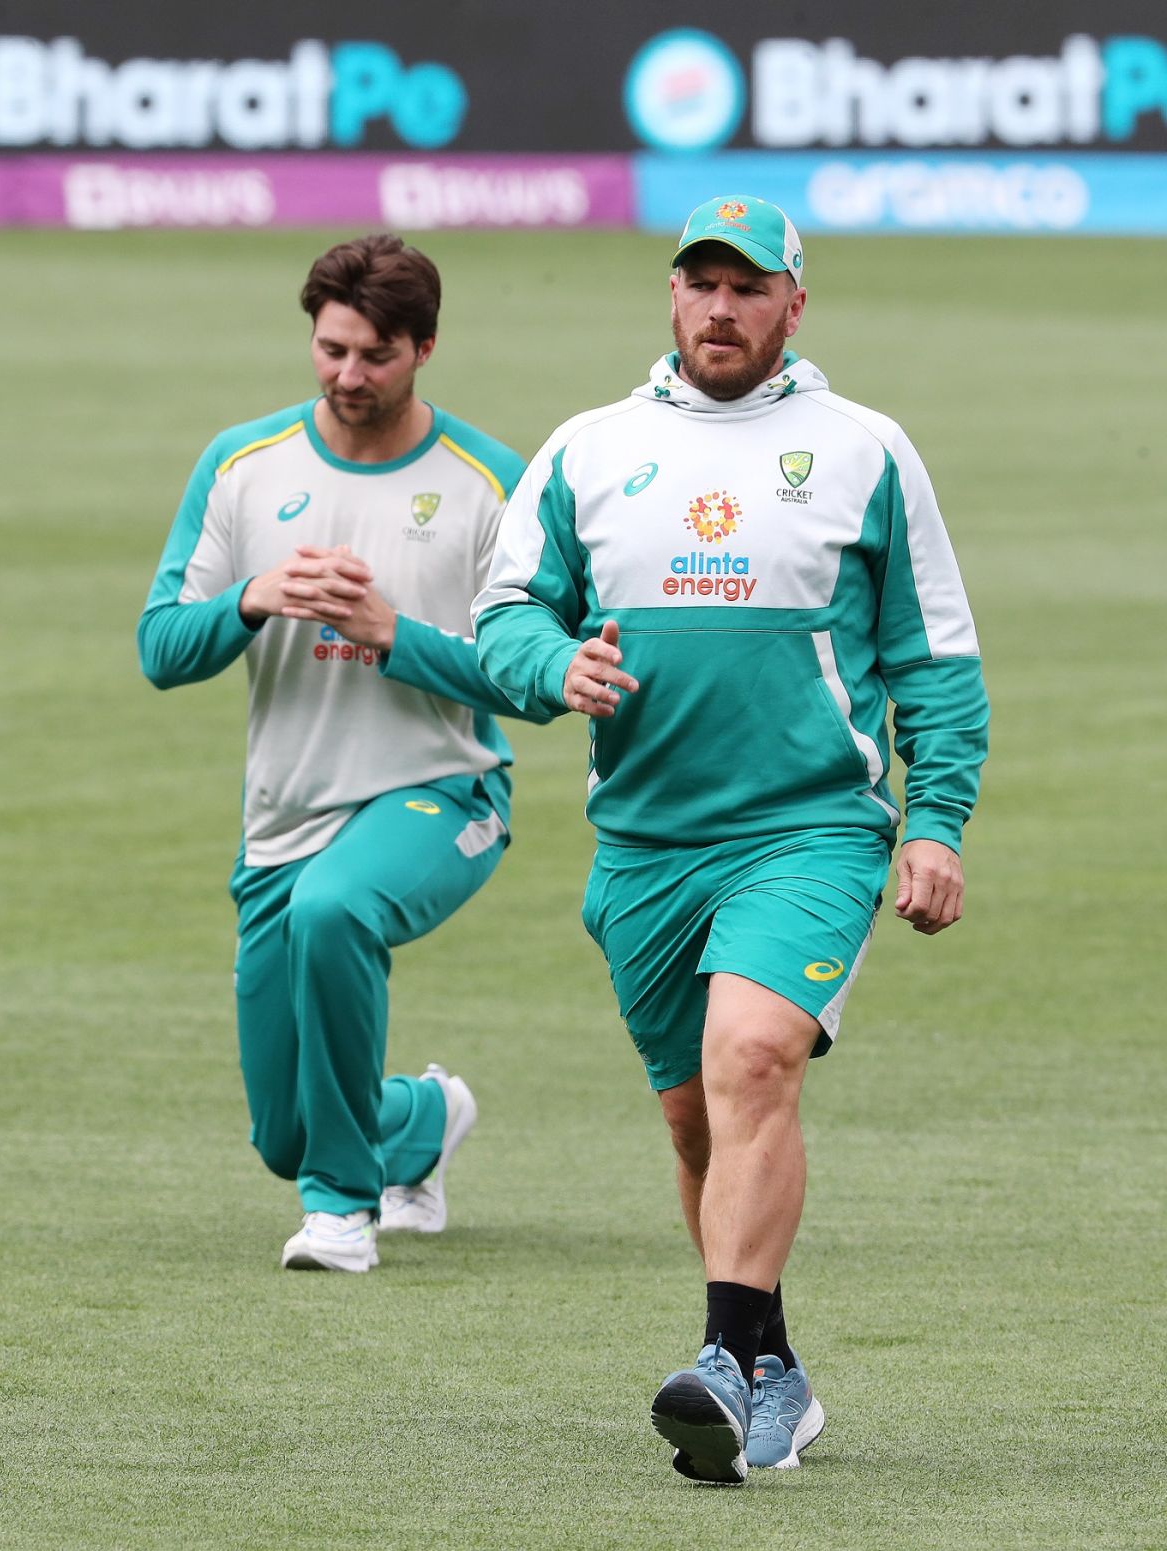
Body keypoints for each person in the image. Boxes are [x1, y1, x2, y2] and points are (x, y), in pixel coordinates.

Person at [473, 196, 988, 1481]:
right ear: (670, 294)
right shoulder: (589, 447)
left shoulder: (865, 449)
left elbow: (938, 661)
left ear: (793, 304)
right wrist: (552, 666)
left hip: (809, 827)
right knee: (699, 1116)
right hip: (644, 843)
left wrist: (937, 824)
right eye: (700, 281)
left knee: (755, 1056)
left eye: (748, 287)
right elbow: (502, 610)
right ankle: (772, 1370)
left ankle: (716, 1357)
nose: (720, 306)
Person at [138, 234, 541, 1273]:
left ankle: (341, 1216)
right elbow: (159, 651)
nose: (347, 376)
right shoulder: (243, 467)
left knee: (336, 909)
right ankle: (419, 1122)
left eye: (374, 356)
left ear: (425, 349)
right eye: (330, 351)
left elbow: (535, 681)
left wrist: (393, 634)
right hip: (284, 819)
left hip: (444, 793)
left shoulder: (491, 482)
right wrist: (251, 599)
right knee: (286, 1133)